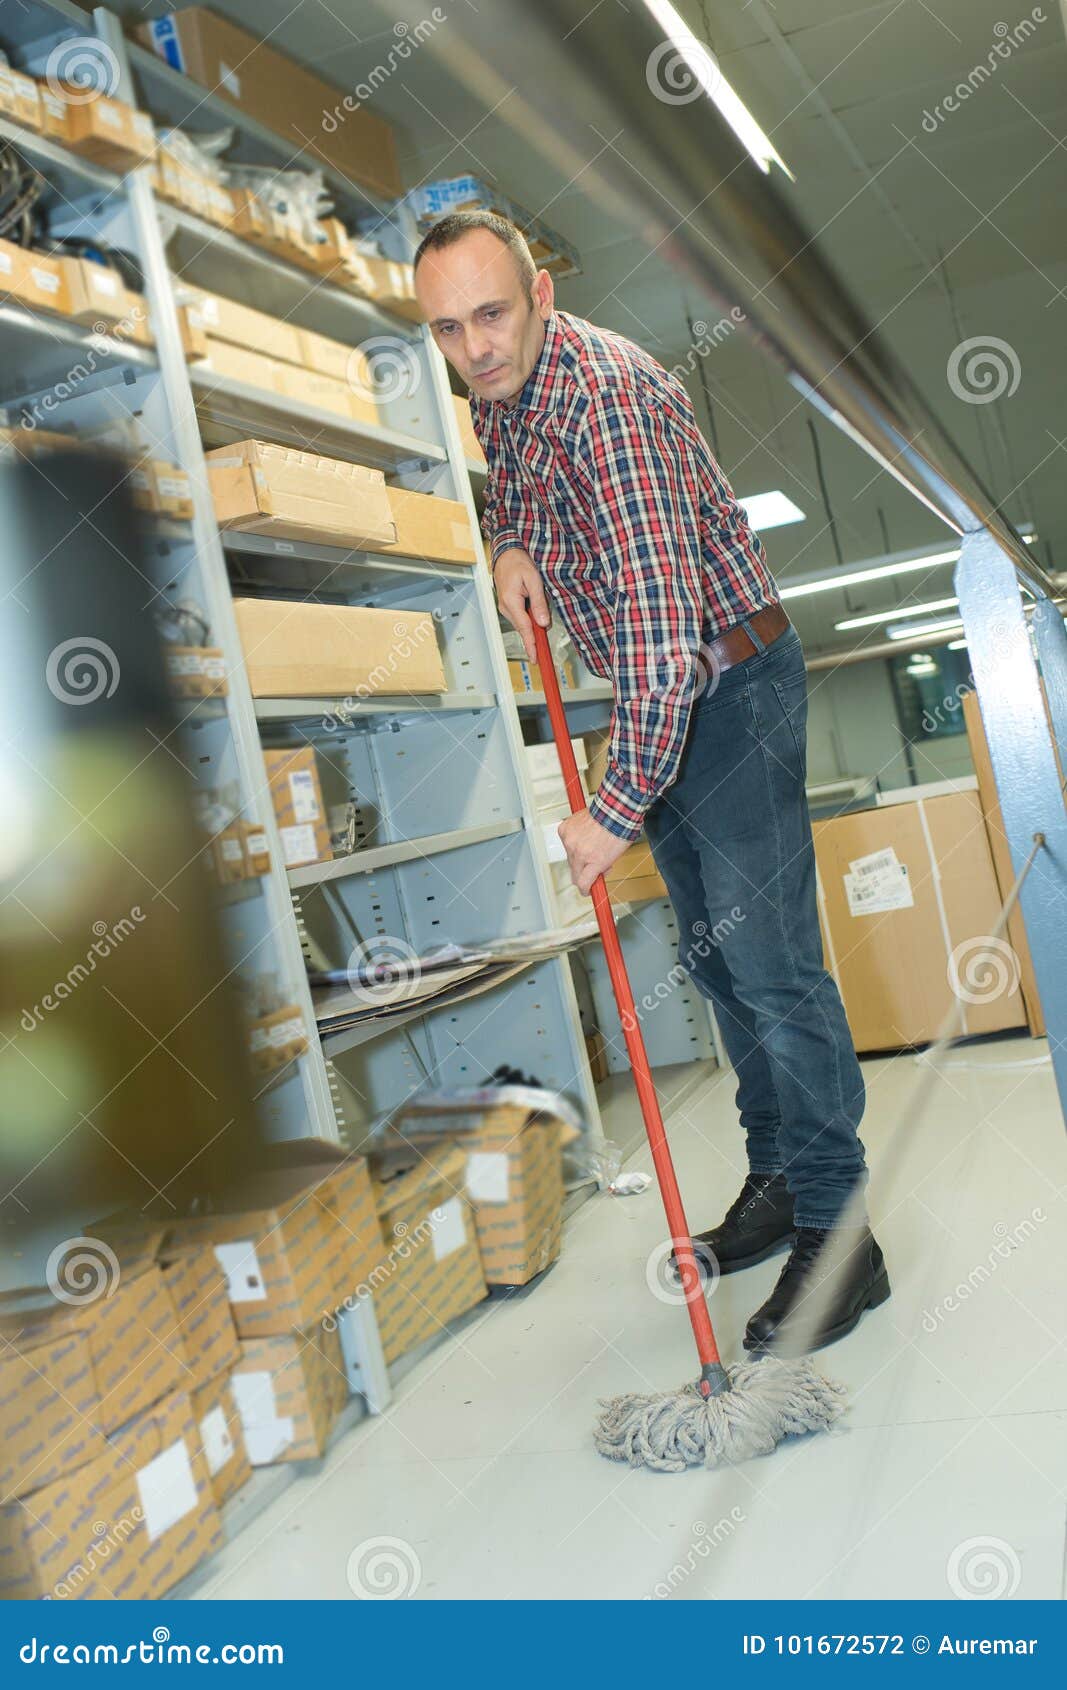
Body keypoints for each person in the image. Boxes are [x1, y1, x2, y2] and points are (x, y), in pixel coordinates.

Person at [413, 210, 890, 1353]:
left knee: (773, 969)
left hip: (723, 685)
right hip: (660, 696)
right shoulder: (501, 391)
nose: (475, 348)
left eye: (491, 314)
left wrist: (606, 814)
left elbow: (671, 640)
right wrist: (512, 539)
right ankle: (776, 1179)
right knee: (718, 961)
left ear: (537, 289)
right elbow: (517, 473)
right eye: (447, 328)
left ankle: (842, 1238)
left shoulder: (611, 401)